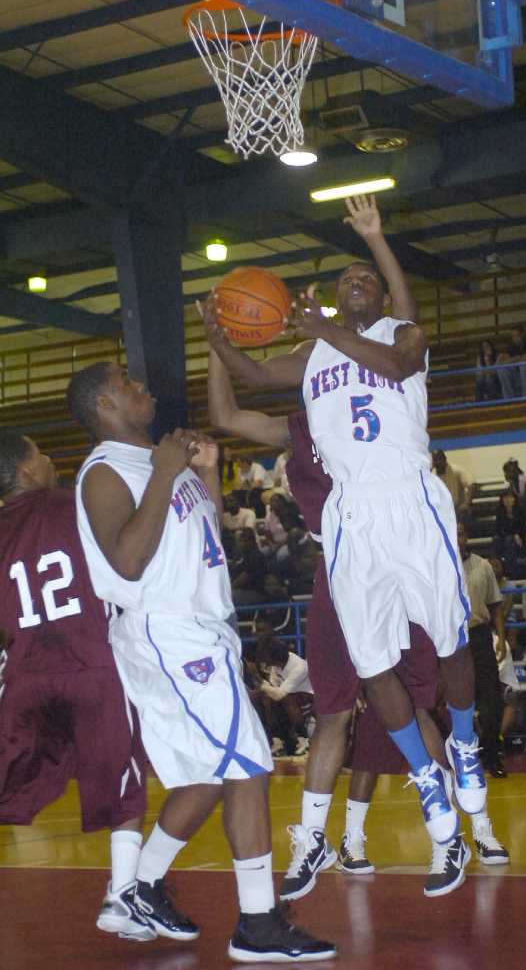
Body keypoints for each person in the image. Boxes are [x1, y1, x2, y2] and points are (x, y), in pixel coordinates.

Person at [200, 192, 488, 846]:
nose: (353, 284)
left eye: (364, 279)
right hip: (349, 513)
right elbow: (249, 372)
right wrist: (219, 338)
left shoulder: (402, 335)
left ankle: (464, 745)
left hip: (409, 495)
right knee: (374, 661)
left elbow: (396, 365)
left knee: (450, 643)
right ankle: (424, 778)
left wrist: (374, 239)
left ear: (383, 298)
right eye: (341, 281)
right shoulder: (312, 358)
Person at [203, 352, 508, 898]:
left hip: (390, 549)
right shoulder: (297, 428)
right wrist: (217, 342)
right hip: (336, 565)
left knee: (416, 703)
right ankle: (317, 838)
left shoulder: (380, 405)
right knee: (333, 710)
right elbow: (226, 415)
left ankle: (467, 831)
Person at [66, 362, 335, 964]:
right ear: (107, 404)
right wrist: (165, 473)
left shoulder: (161, 463)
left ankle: (139, 885)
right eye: (134, 386)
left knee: (206, 777)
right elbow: (128, 563)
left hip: (204, 629)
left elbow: (203, 533)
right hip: (168, 634)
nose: (148, 389)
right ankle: (258, 922)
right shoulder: (106, 473)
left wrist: (205, 474)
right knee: (247, 764)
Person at [0, 431, 151, 942]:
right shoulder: (78, 505)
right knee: (125, 784)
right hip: (91, 661)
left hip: (24, 674)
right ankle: (123, 894)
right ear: (24, 468)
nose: (49, 459)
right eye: (41, 453)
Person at [457, 520, 507, 778]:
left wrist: (501, 639)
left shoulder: (483, 566)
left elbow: (496, 604)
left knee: (491, 701)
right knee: (457, 702)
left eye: (462, 533)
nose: (458, 538)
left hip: (480, 637)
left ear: (468, 536)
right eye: (454, 534)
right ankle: (460, 760)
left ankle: (491, 757)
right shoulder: (441, 567)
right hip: (452, 640)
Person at [492, 487, 526, 579]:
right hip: (504, 541)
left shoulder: (520, 512)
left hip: (519, 543)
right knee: (497, 539)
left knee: (509, 540)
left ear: (514, 499)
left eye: (510, 497)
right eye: (505, 498)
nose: (508, 500)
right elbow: (498, 530)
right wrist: (513, 534)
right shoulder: (499, 512)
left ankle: (512, 575)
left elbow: (522, 530)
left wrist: (515, 535)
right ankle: (497, 570)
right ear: (502, 500)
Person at [432, 450, 474, 520]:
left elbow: (472, 484)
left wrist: (466, 503)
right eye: (435, 460)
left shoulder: (456, 470)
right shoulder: (432, 476)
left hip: (459, 510)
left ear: (445, 459)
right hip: (442, 512)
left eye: (440, 459)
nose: (438, 462)